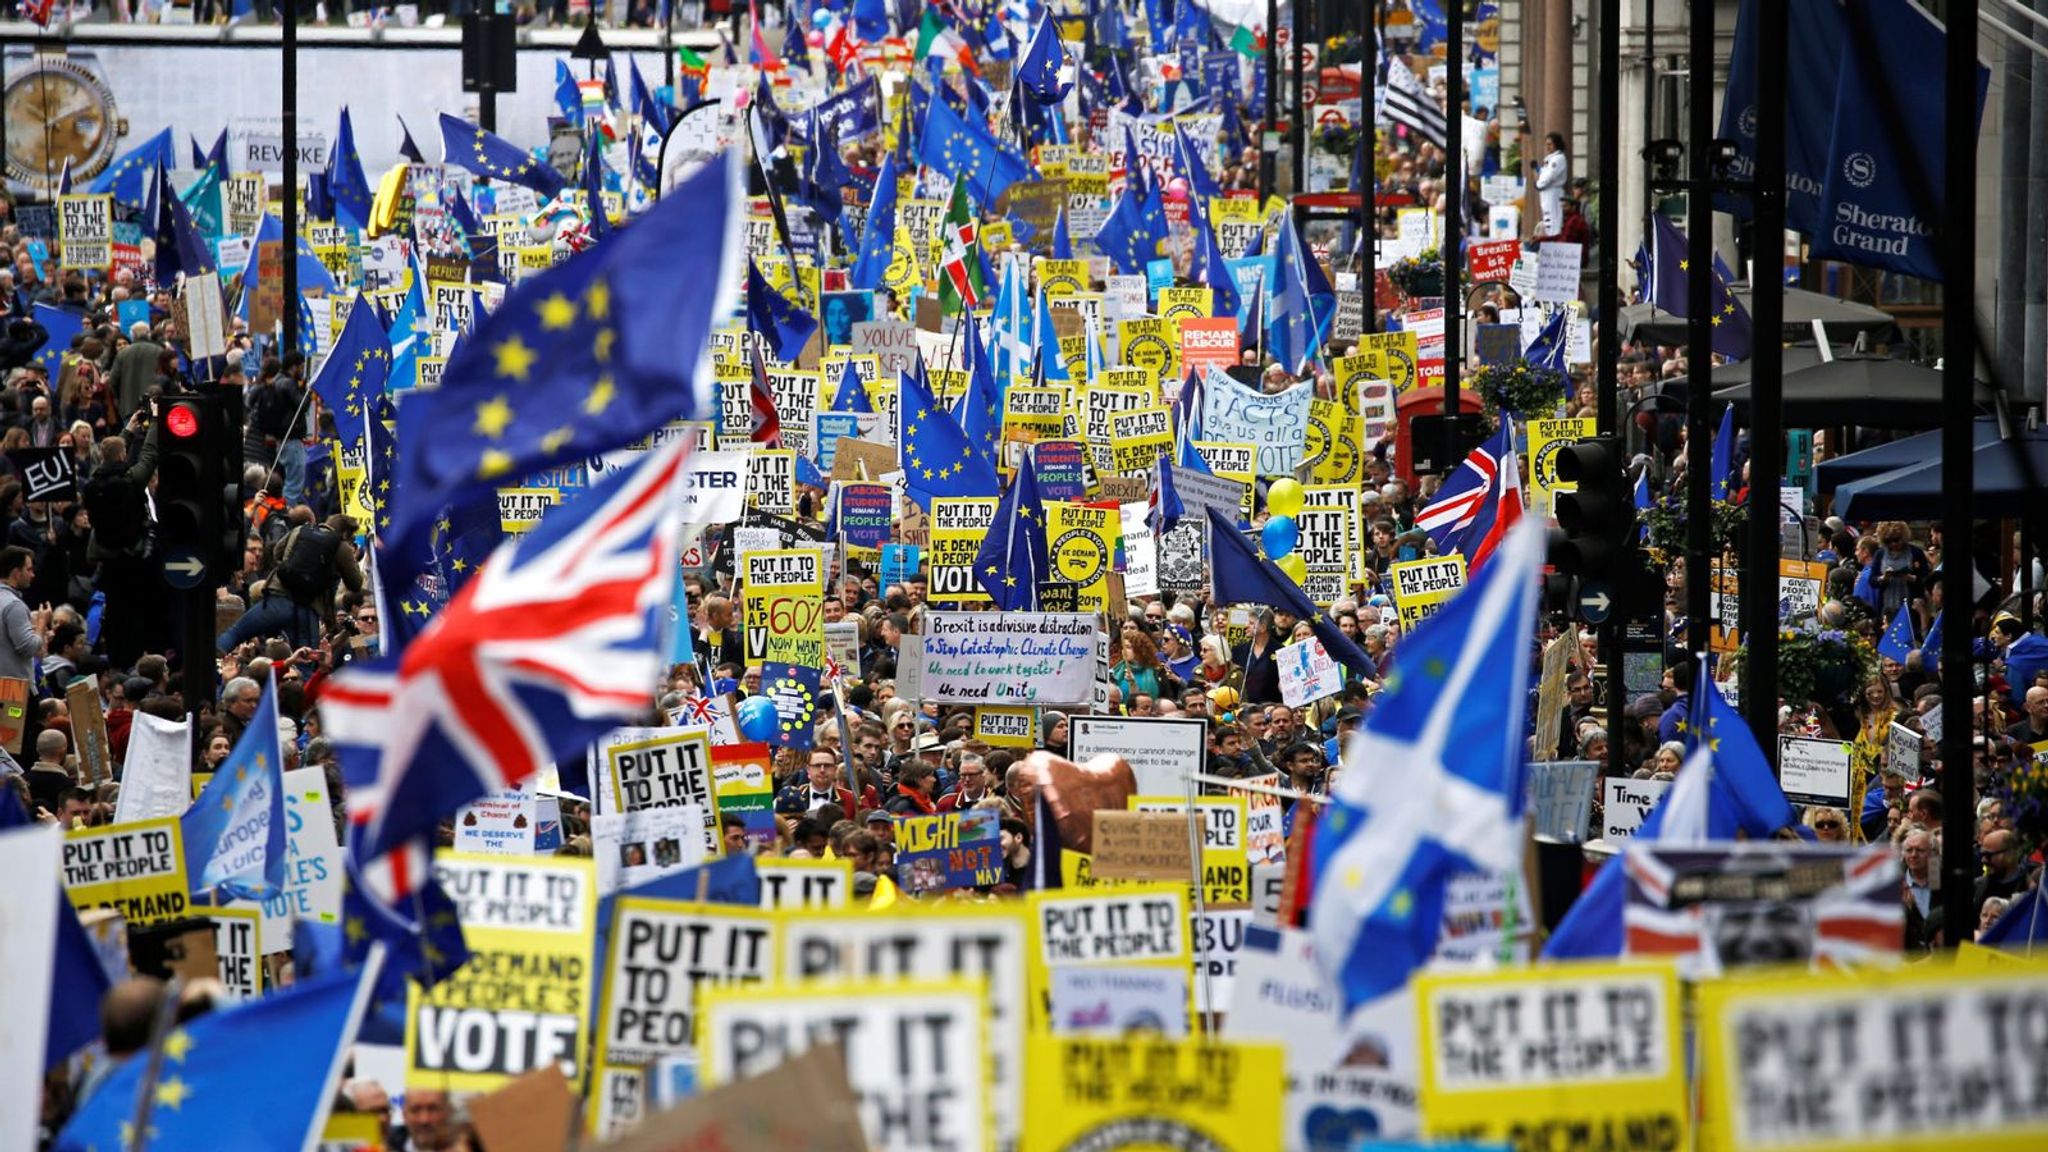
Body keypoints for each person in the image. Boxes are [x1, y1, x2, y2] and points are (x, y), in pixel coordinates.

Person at [84, 420, 158, 668]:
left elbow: (107, 456)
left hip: (107, 561)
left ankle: (115, 663)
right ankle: (133, 661)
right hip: (132, 559)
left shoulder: (93, 483)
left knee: (113, 612)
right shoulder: (130, 481)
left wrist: (128, 430)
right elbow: (149, 455)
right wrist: (156, 421)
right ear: (124, 455)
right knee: (134, 614)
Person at [1531, 132, 1569, 237]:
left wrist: (1538, 184)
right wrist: (1536, 169)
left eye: (1550, 144)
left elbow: (1549, 176)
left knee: (1553, 219)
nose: (1547, 147)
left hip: (1553, 193)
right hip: (1546, 193)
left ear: (1556, 144)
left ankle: (1554, 239)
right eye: (1546, 144)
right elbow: (1543, 174)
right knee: (1547, 219)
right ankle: (1549, 237)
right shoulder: (1550, 159)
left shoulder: (1558, 158)